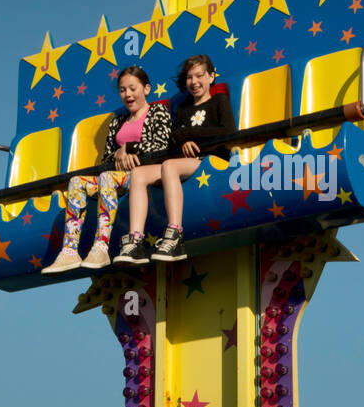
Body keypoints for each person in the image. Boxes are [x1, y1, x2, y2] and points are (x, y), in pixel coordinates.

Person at [42, 65, 171, 274]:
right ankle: (69, 250)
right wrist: (120, 153)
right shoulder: (118, 121)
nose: (127, 94)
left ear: (146, 89)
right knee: (77, 182)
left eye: (132, 88)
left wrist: (129, 148)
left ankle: (101, 246)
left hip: (145, 175)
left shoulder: (157, 112)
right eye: (122, 90)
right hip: (118, 177)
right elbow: (106, 159)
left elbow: (162, 145)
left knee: (108, 178)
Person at [114, 53, 236, 265]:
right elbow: (173, 139)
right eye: (189, 77)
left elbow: (227, 131)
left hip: (211, 160)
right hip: (186, 161)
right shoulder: (183, 109)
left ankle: (175, 234)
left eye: (199, 75)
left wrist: (187, 136)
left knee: (169, 166)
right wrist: (183, 141)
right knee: (138, 173)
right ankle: (136, 241)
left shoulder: (219, 100)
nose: (194, 82)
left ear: (211, 76)